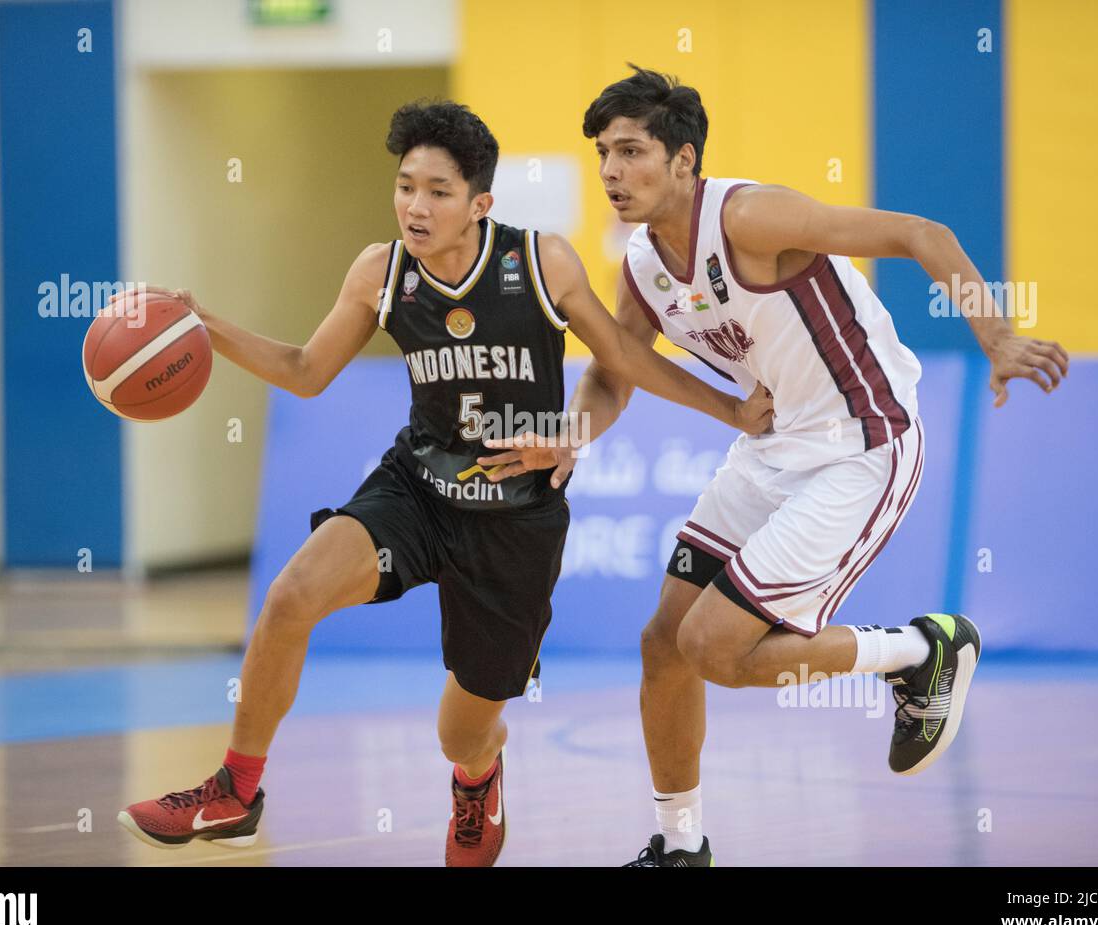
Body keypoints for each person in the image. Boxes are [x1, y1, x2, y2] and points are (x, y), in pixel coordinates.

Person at [115, 99, 769, 867]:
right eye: (404, 187)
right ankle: (235, 791)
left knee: (459, 731)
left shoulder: (540, 261)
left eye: (437, 192)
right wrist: (206, 327)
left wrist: (728, 407)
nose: (415, 207)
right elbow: (304, 371)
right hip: (418, 489)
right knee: (292, 595)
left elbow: (622, 360)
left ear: (479, 203)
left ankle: (477, 777)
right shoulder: (380, 271)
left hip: (516, 522)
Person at [482, 66, 1069, 867]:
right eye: (602, 155)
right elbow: (614, 372)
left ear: (684, 160)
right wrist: (567, 434)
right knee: (663, 642)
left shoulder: (753, 217)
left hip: (862, 444)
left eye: (631, 151)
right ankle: (681, 845)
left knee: (715, 650)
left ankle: (918, 650)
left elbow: (919, 234)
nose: (612, 172)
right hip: (769, 447)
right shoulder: (645, 265)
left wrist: (998, 338)